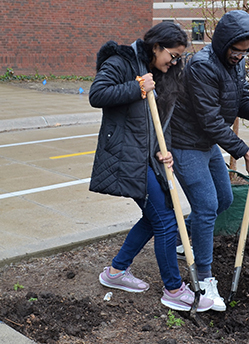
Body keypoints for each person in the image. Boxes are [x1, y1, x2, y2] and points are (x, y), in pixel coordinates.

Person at [89, 22, 214, 313]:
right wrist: (136, 87)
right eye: (172, 55)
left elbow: (160, 121)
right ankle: (173, 289)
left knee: (154, 218)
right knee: (166, 221)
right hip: (126, 158)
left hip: (147, 159)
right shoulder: (121, 62)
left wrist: (163, 151)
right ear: (156, 46)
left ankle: (116, 272)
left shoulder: (161, 74)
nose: (175, 62)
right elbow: (98, 94)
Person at [169, 10, 249, 311]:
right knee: (206, 206)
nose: (240, 56)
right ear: (224, 42)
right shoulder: (202, 66)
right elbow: (211, 120)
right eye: (236, 50)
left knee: (223, 200)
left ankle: (177, 238)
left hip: (207, 143)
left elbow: (240, 101)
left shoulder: (236, 65)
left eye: (245, 51)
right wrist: (242, 151)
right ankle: (203, 278)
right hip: (186, 143)